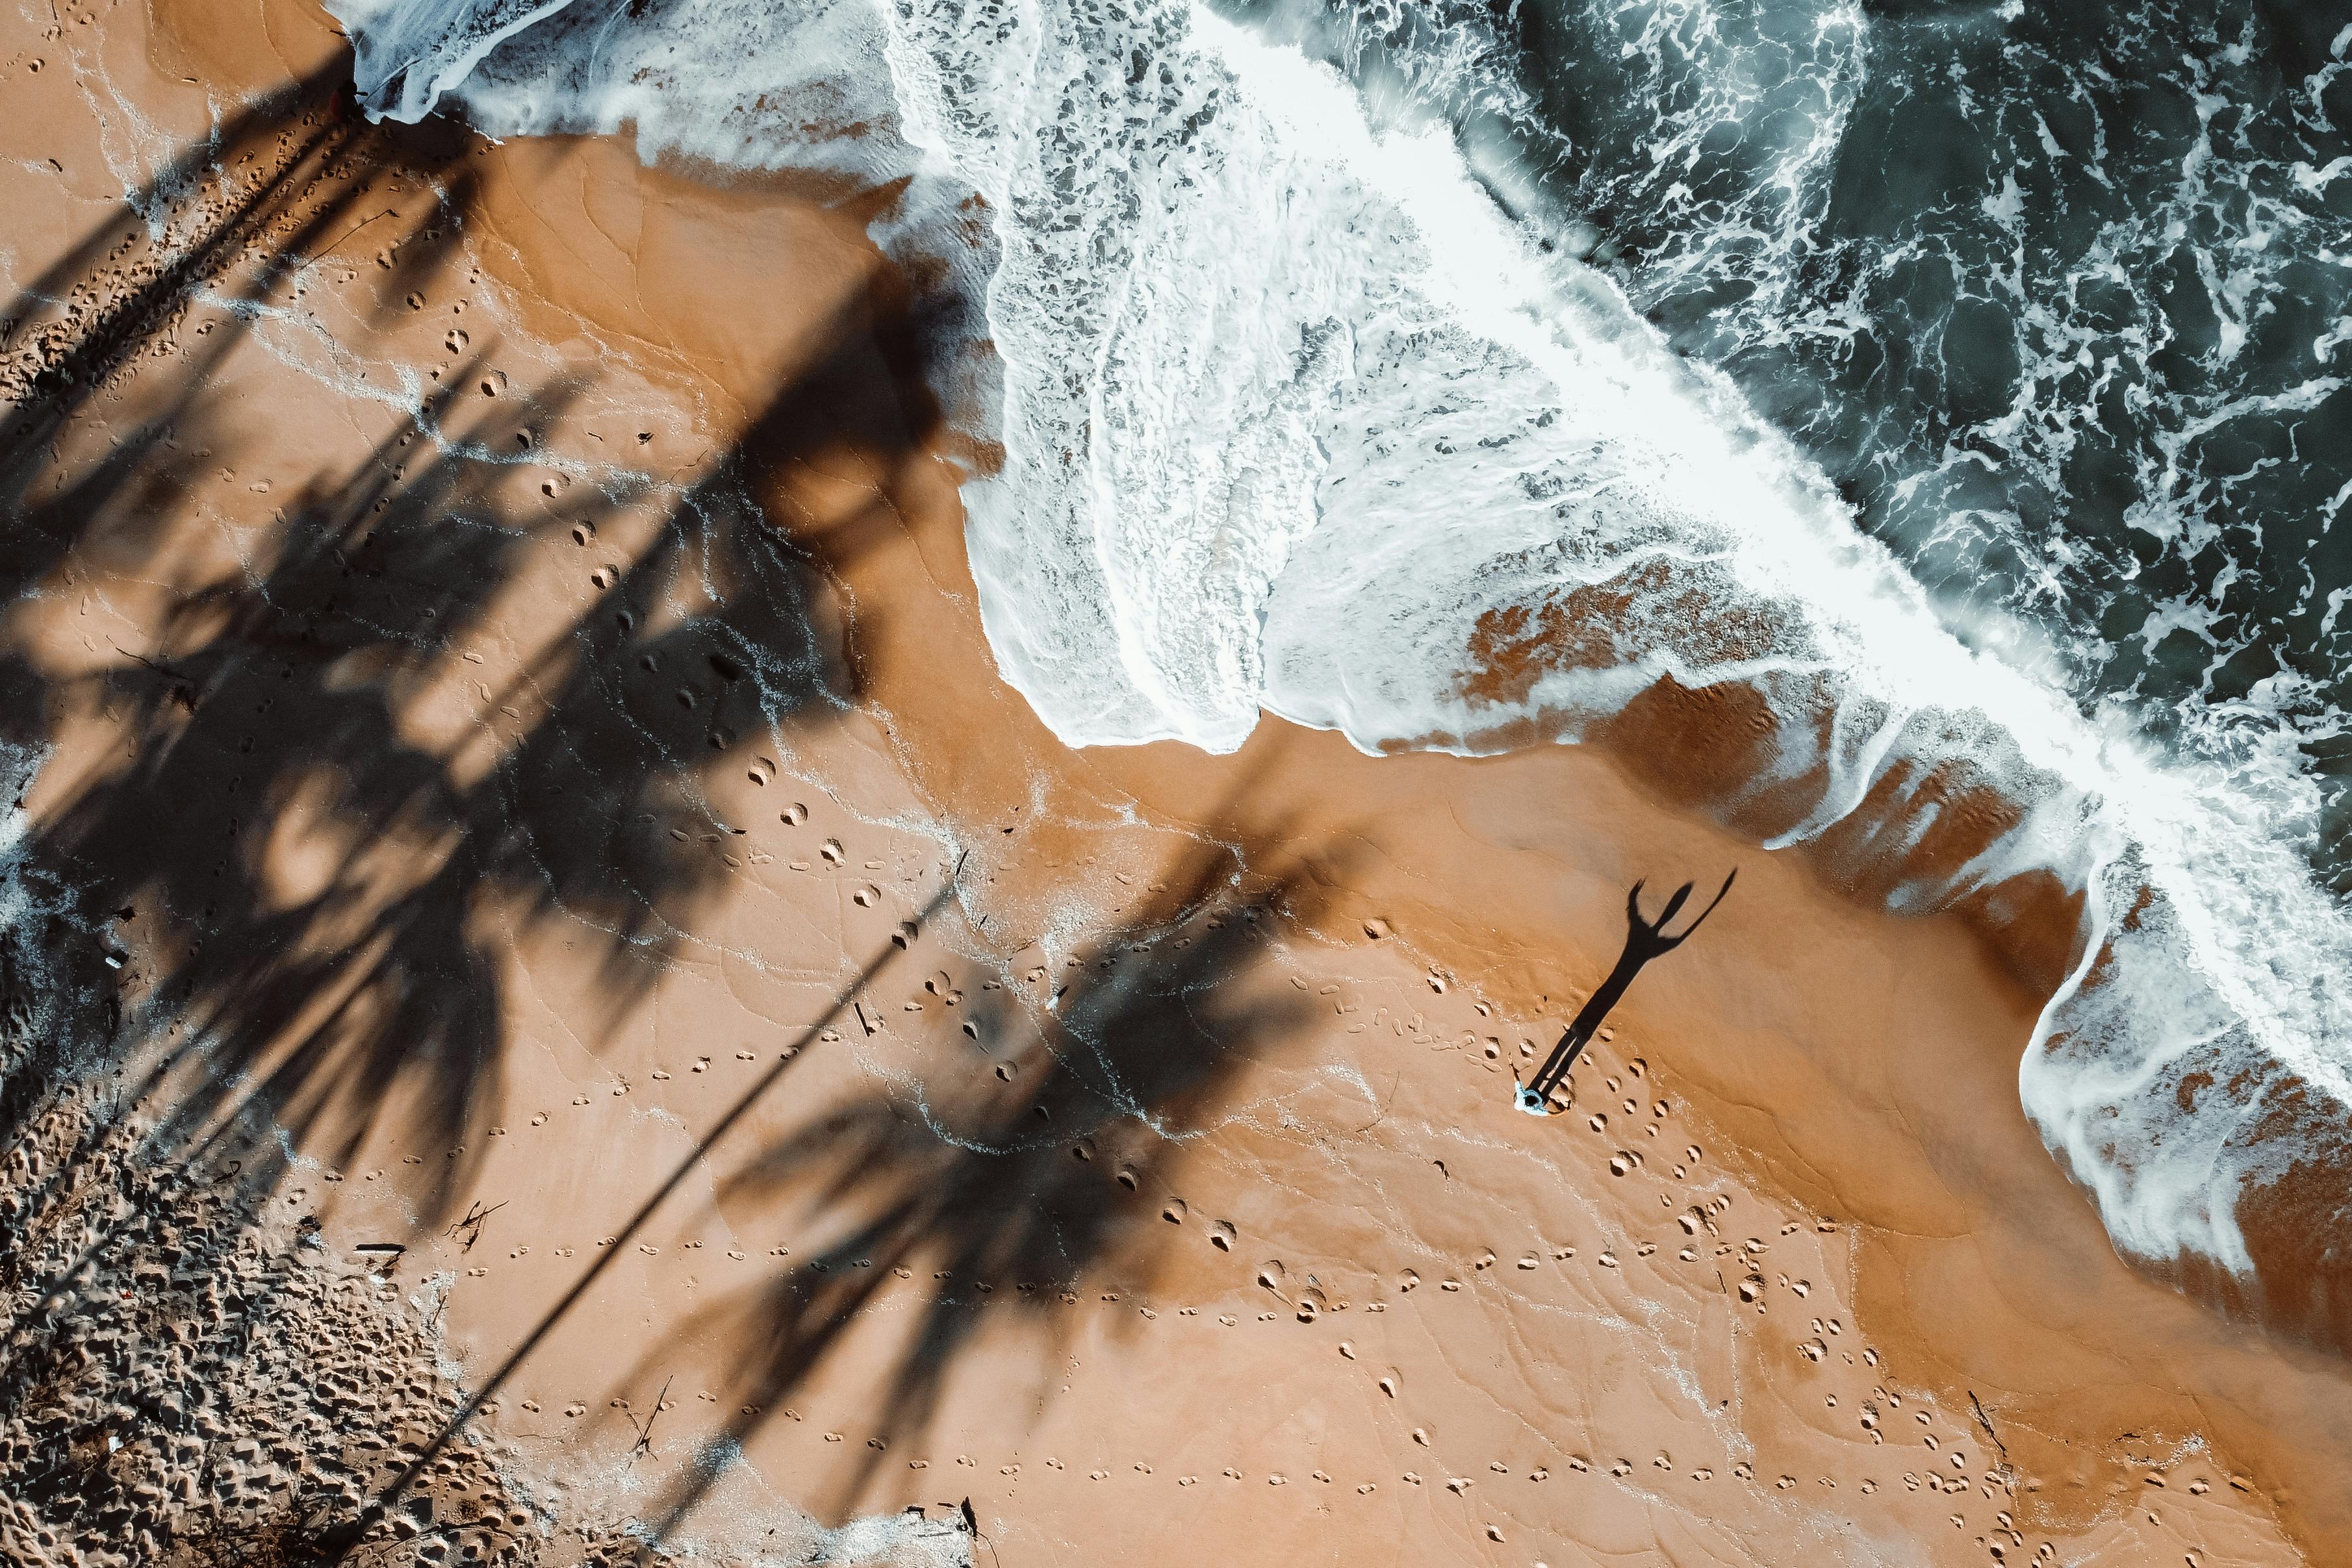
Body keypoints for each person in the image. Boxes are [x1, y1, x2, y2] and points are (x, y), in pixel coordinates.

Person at [1516, 869, 1736, 1116]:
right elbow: (1635, 914)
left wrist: (1706, 909)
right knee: (1573, 1038)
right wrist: (1633, 897)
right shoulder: (1640, 932)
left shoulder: (1655, 943)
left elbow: (1676, 935)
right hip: (1605, 995)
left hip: (1615, 991)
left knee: (1577, 1042)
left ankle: (1569, 1050)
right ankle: (1572, 1041)